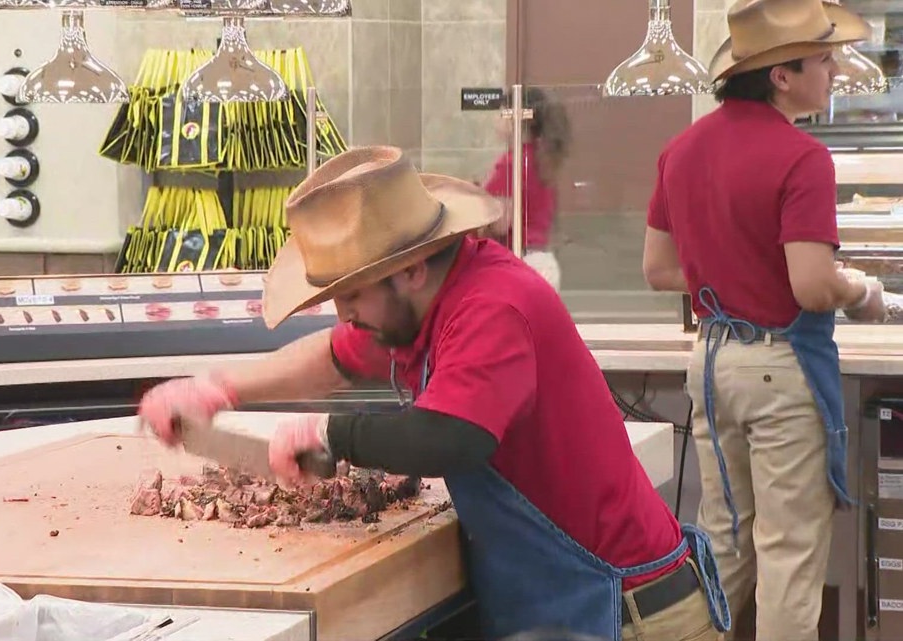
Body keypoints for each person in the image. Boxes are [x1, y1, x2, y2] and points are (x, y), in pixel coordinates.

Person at [139, 145, 729, 641]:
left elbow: (453, 436)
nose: (341, 313)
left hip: (628, 612)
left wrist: (328, 433)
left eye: (353, 294)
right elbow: (337, 359)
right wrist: (216, 389)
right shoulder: (421, 307)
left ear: (413, 269)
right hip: (564, 608)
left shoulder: (492, 306)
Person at [640, 0, 883, 639]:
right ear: (780, 74)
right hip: (781, 368)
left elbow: (659, 269)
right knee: (790, 552)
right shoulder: (803, 157)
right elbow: (811, 287)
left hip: (713, 364)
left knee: (724, 538)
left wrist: (732, 272)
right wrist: (862, 291)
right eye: (822, 59)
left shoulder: (679, 150)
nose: (832, 70)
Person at [480, 86, 571, 290]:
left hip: (521, 262)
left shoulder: (511, 164)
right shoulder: (542, 160)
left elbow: (501, 222)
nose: (496, 120)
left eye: (501, 113)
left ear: (517, 118)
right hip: (544, 262)